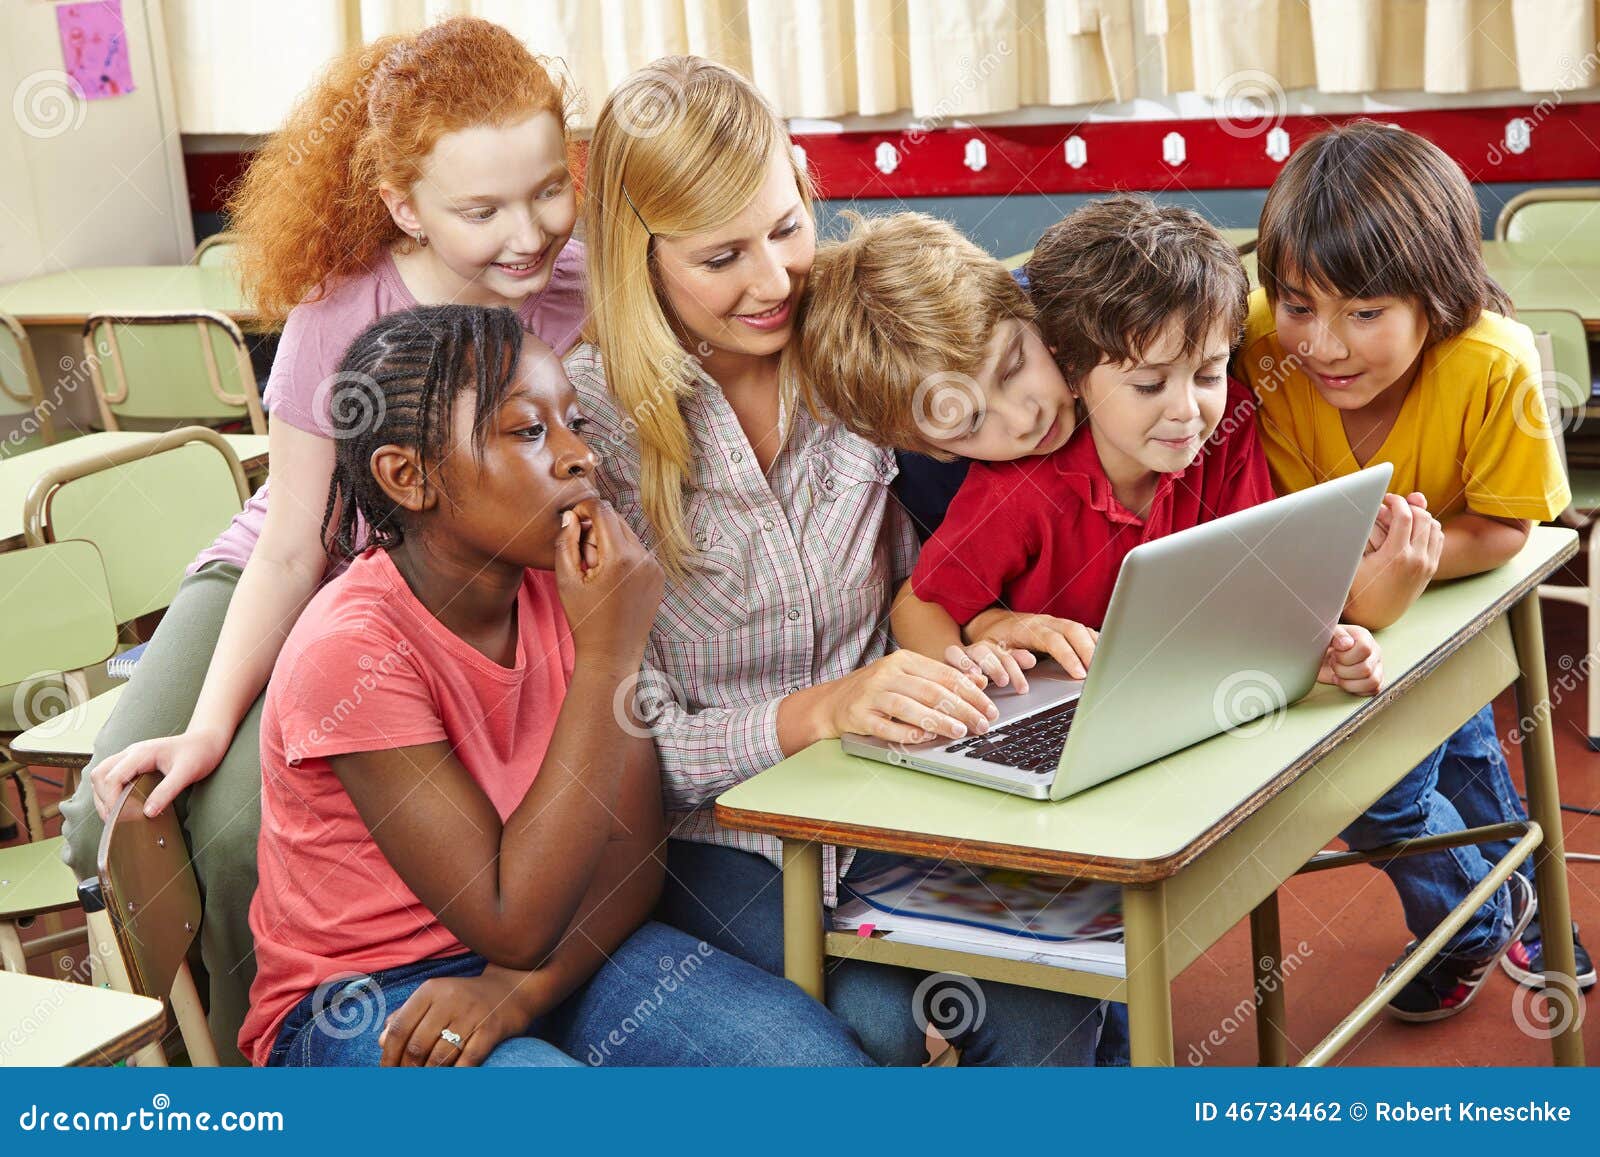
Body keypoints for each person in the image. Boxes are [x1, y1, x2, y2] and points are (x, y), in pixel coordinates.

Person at [63, 17, 586, 1062]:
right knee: (122, 800)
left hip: (430, 595)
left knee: (237, 833)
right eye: (480, 210)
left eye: (545, 191)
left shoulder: (576, 289)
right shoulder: (341, 311)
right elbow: (293, 545)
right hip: (295, 568)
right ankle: (220, 1054)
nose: (525, 232)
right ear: (405, 205)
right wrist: (212, 727)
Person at [568, 56, 1106, 1065]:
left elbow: (926, 567)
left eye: (785, 228)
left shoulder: (856, 360)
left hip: (898, 798)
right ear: (638, 260)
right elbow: (618, 750)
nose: (773, 281)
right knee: (875, 1027)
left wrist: (986, 624)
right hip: (713, 834)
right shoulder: (585, 430)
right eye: (720, 257)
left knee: (1050, 1005)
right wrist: (819, 709)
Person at [242, 305, 872, 1068]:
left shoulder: (571, 590)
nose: (581, 458)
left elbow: (635, 857)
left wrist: (516, 993)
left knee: (809, 1066)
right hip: (366, 998)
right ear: (407, 476)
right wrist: (611, 651)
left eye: (571, 422)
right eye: (529, 431)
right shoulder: (350, 650)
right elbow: (510, 920)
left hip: (561, 942)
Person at [1241, 120, 1593, 1016]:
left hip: (1446, 582)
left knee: (1398, 786)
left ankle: (1483, 914)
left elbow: (1509, 527)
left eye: (1364, 313)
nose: (1323, 345)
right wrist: (1360, 584)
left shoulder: (1492, 363)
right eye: (1298, 305)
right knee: (1439, 763)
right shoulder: (1254, 343)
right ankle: (1505, 903)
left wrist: (1405, 566)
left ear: (1435, 299)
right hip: (1323, 600)